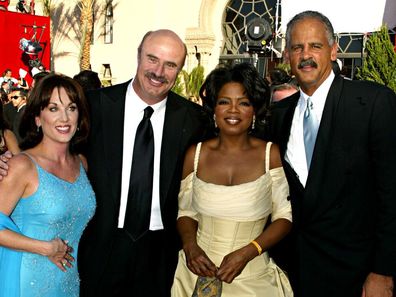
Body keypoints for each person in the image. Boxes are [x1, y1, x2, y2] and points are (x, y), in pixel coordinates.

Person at [266, 10, 396, 297]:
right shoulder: (278, 115)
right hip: (292, 273)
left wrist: (383, 272)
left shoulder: (373, 102)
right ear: (287, 54)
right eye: (297, 47)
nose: (306, 55)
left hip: (356, 275)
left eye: (315, 46)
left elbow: (391, 194)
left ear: (334, 49)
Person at [76, 29, 209, 297]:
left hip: (160, 253)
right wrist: (16, 158)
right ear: (138, 56)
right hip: (100, 244)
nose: (159, 72)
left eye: (170, 64)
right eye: (152, 59)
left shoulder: (194, 120)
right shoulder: (94, 106)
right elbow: (58, 153)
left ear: (180, 69)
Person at [171, 63, 293, 297]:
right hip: (196, 273)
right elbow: (185, 212)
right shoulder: (195, 155)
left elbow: (284, 218)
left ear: (255, 110)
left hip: (253, 277)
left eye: (244, 103)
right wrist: (190, 246)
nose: (233, 110)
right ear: (214, 109)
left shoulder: (271, 155)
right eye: (225, 102)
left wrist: (249, 252)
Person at [0, 74, 96, 296]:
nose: (64, 118)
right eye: (53, 109)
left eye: (71, 108)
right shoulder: (22, 166)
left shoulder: (81, 163)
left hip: (69, 280)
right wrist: (44, 248)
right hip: (28, 281)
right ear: (37, 118)